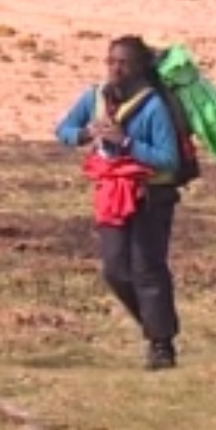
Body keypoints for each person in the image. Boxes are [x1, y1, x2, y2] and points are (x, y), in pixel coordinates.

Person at [54, 36, 183, 370]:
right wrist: (85, 133)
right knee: (114, 270)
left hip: (151, 195)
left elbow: (168, 159)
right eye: (111, 61)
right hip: (111, 193)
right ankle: (156, 326)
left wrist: (126, 142)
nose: (115, 68)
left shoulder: (154, 106)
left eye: (123, 63)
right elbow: (63, 130)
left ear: (139, 67)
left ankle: (161, 346)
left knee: (147, 269)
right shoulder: (94, 97)